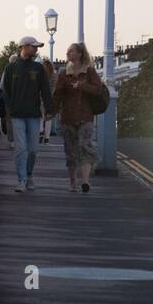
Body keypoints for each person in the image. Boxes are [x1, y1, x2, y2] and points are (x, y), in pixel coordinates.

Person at [0, 36, 53, 192]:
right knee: (21, 148)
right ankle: (21, 180)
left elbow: (45, 90)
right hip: (17, 114)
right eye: (33, 47)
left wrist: (49, 110)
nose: (36, 49)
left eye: (37, 47)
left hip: (34, 114)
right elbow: (5, 90)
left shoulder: (38, 68)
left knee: (34, 149)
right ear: (23, 47)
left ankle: (29, 175)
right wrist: (10, 108)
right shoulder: (11, 68)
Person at [51, 42, 104, 193]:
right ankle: (72, 181)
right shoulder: (63, 73)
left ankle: (85, 182)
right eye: (67, 52)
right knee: (70, 151)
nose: (68, 54)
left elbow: (98, 90)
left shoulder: (89, 71)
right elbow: (57, 95)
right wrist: (51, 112)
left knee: (84, 147)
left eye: (71, 51)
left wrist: (82, 86)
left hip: (85, 116)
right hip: (68, 117)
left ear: (79, 54)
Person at [39, 56, 57, 144]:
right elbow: (54, 88)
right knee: (49, 118)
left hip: (41, 98)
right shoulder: (54, 75)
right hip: (51, 98)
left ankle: (41, 132)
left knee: (41, 116)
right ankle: (47, 138)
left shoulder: (41, 75)